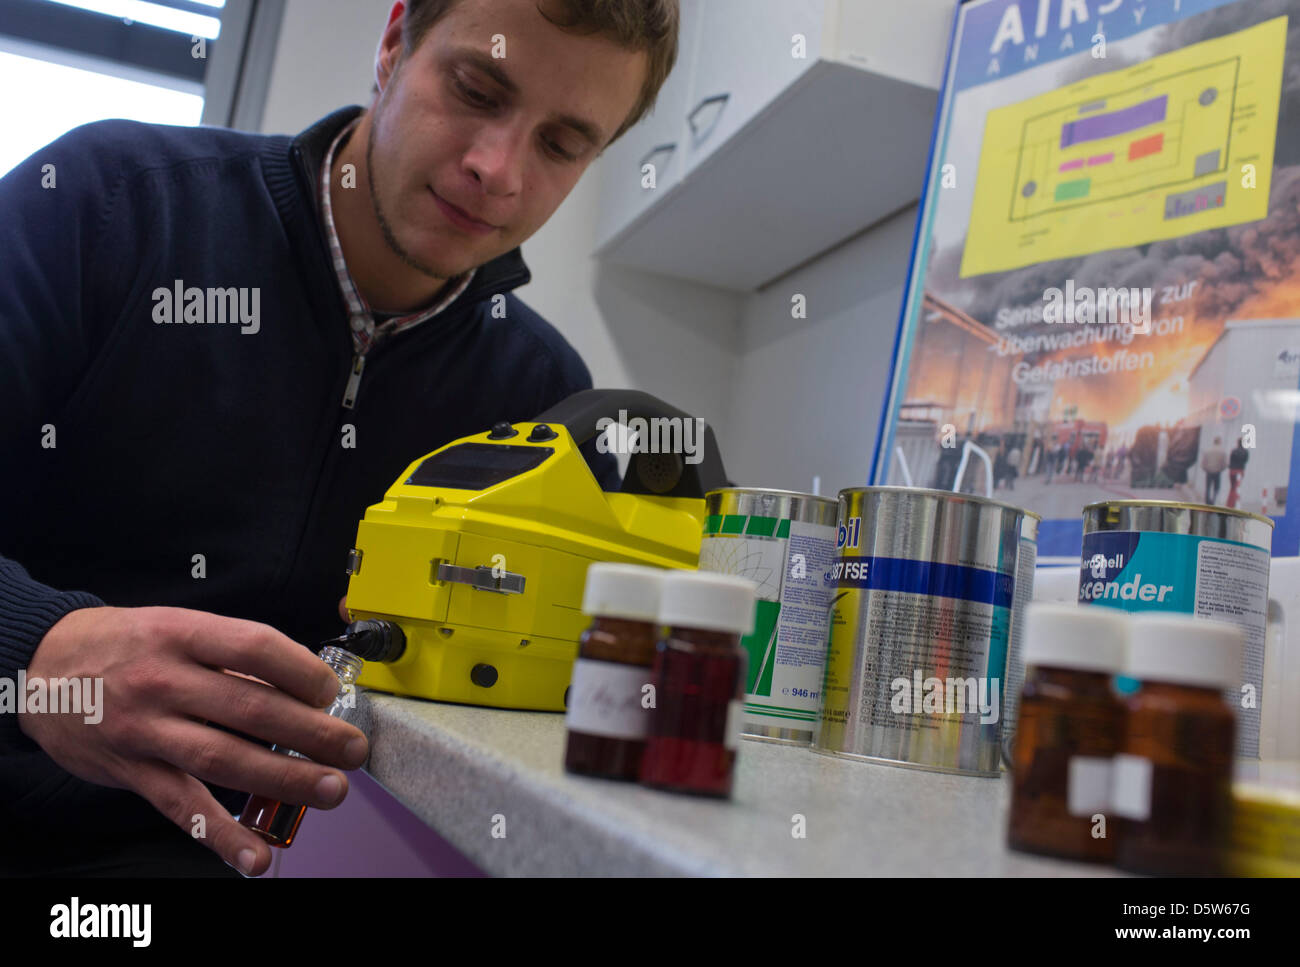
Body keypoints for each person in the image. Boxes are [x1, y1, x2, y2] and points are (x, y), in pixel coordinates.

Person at [0, 0, 678, 877]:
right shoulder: (106, 205)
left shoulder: (542, 401)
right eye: (476, 90)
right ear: (395, 39)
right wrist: (35, 653)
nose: (496, 169)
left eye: (562, 144)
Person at [1201, 436, 1227, 505]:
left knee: (1208, 487)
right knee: (1216, 487)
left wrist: (1205, 468)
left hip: (1209, 471)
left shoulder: (1208, 450)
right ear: (1219, 442)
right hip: (1217, 472)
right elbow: (1225, 463)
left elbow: (1203, 462)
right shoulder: (1222, 451)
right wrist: (1221, 469)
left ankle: (1207, 501)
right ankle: (1213, 500)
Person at [1227, 437, 1250, 508]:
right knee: (1237, 488)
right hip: (1240, 471)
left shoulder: (1233, 451)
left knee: (1232, 487)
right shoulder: (1246, 452)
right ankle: (1235, 503)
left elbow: (1230, 461)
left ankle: (1229, 504)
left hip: (1232, 471)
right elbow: (1246, 461)